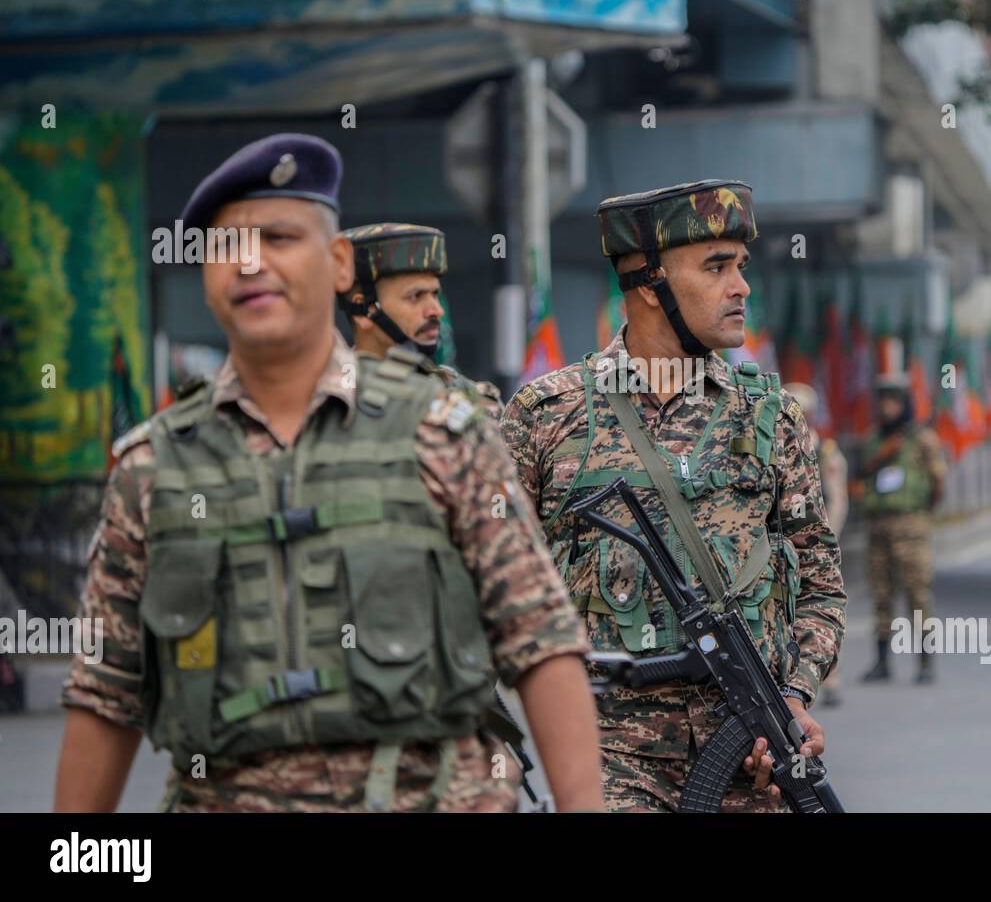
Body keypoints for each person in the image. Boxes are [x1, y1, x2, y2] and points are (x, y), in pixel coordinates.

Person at [54, 133, 603, 813]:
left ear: (340, 262)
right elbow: (107, 690)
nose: (250, 263)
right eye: (226, 248)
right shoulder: (153, 468)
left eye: (279, 238)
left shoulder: (445, 434)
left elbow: (541, 642)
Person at [500, 179, 846, 812]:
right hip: (613, 762)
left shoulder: (772, 417)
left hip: (752, 756)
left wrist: (791, 697)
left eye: (741, 266)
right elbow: (496, 592)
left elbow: (820, 582)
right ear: (647, 282)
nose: (741, 287)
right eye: (716, 267)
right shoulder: (545, 416)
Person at [339, 222, 502, 416]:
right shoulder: (323, 400)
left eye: (435, 294)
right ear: (364, 310)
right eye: (415, 296)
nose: (437, 311)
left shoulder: (471, 401)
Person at [859, 373, 946, 684]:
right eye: (883, 401)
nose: (887, 408)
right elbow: (863, 475)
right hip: (879, 526)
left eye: (894, 401)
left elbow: (938, 482)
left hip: (911, 525)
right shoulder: (873, 439)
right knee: (881, 595)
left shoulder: (922, 440)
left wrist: (920, 512)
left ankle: (925, 663)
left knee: (917, 594)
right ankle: (881, 661)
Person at [783, 382, 848, 707]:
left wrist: (822, 542)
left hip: (812, 546)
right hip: (782, 551)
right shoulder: (775, 445)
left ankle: (828, 676)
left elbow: (836, 500)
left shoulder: (823, 450)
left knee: (821, 605)